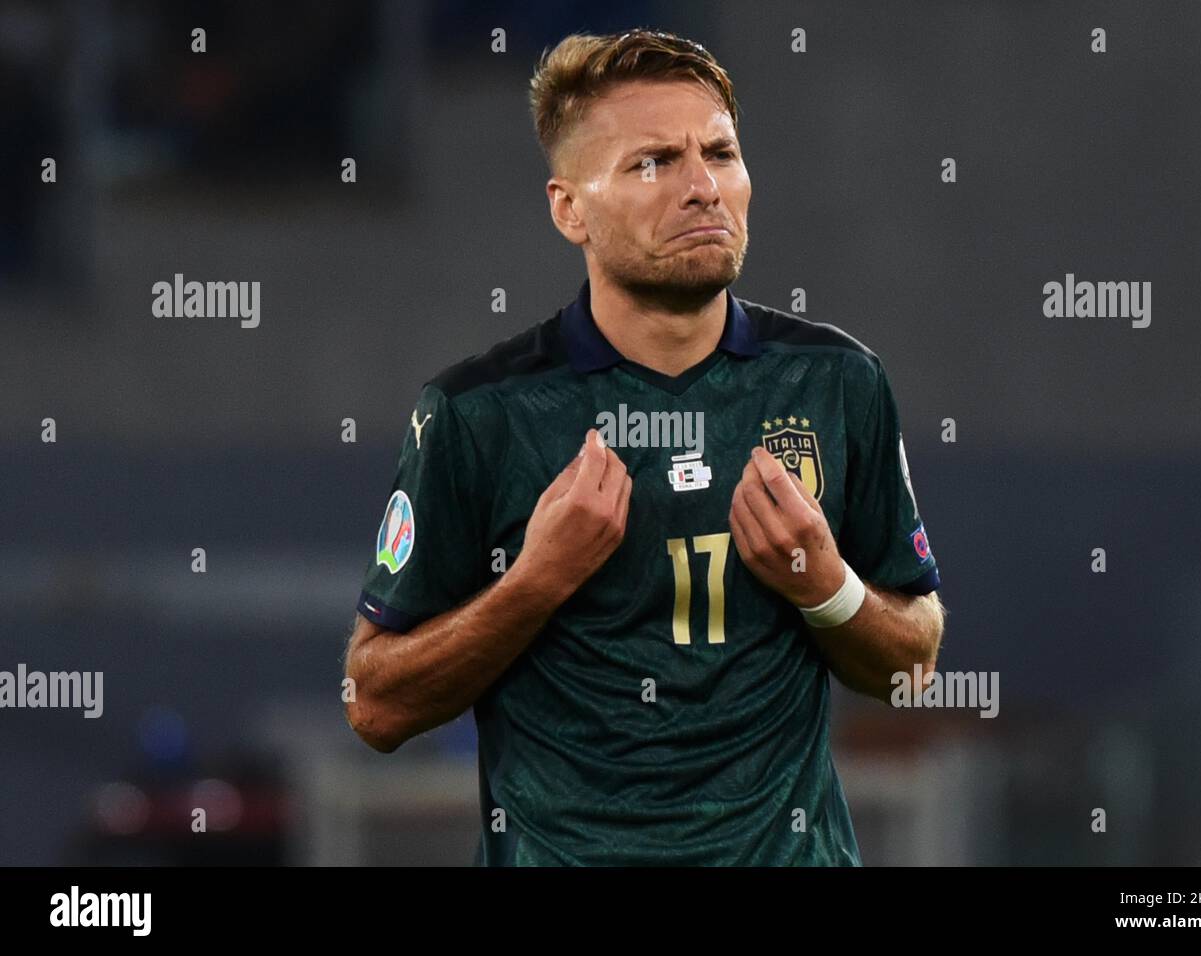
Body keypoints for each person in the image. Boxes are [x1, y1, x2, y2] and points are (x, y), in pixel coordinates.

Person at [343, 28, 945, 865]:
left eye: (721, 154)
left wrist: (828, 585)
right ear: (569, 209)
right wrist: (535, 583)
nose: (703, 187)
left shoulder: (837, 383)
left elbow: (912, 663)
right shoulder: (480, 414)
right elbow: (374, 706)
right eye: (654, 162)